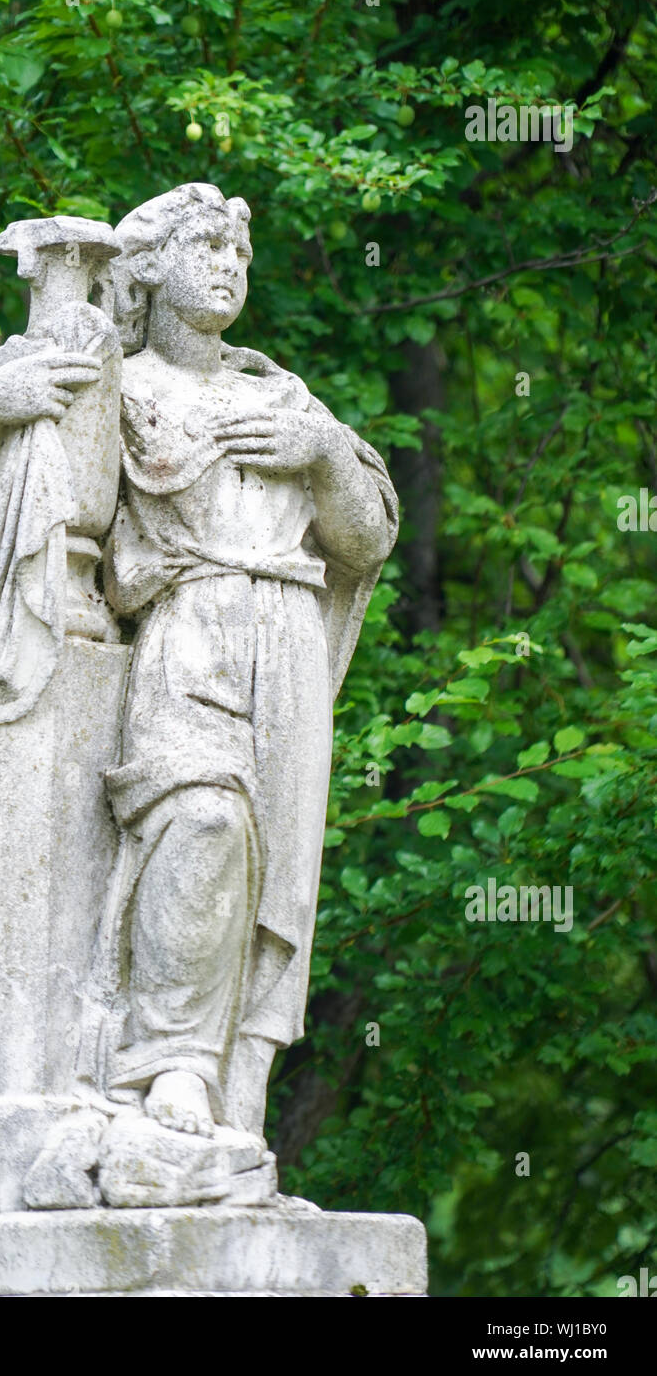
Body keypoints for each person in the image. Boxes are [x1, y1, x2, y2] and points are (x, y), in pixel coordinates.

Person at [75, 183, 399, 1141]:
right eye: (206, 244)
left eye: (239, 252)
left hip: (289, 638)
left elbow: (367, 540)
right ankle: (167, 1060)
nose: (227, 264)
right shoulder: (120, 387)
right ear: (151, 266)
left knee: (278, 876)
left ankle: (239, 1097)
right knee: (203, 815)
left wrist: (326, 454)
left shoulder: (284, 398)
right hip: (188, 628)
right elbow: (43, 510)